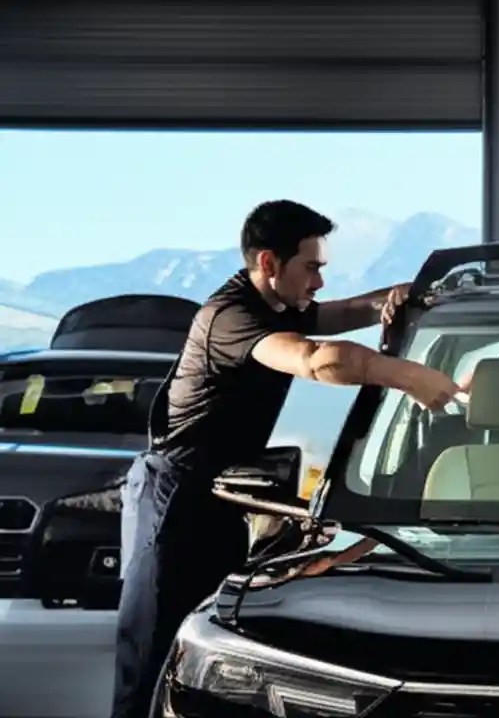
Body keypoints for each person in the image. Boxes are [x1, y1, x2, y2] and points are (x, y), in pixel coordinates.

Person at [110, 199, 461, 718]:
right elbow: (315, 359)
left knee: (210, 648)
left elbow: (339, 313)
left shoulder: (275, 302)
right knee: (154, 661)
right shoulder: (229, 318)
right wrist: (410, 376)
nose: (319, 281)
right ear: (269, 264)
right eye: (312, 267)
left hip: (221, 495)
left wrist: (394, 299)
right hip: (174, 501)